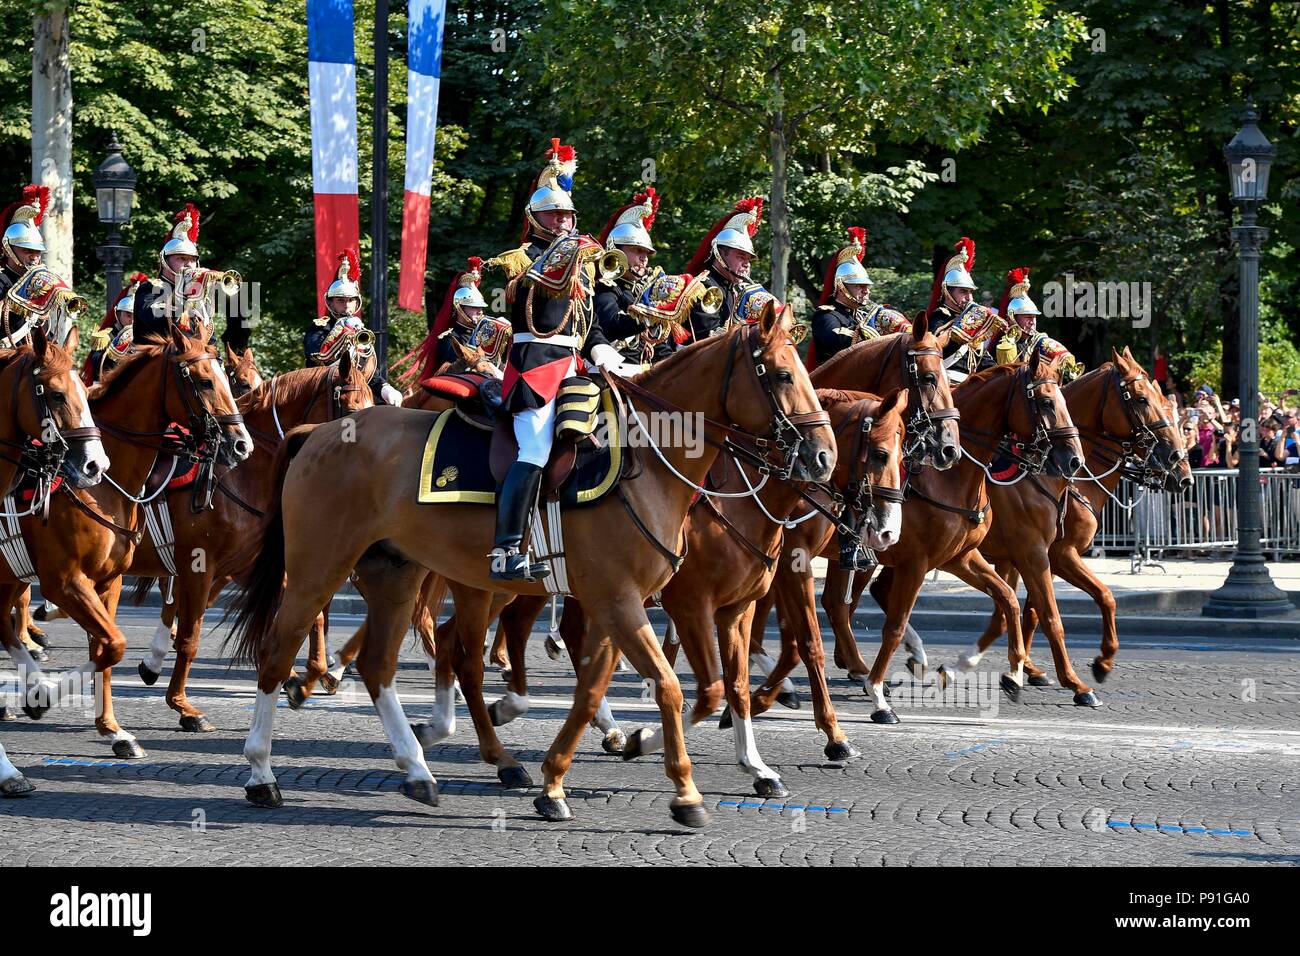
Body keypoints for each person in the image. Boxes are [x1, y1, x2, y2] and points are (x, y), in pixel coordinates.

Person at [486, 138, 640, 581]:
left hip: (575, 367)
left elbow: (588, 324)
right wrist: (566, 258)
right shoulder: (522, 259)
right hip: (535, 365)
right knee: (534, 446)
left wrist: (610, 343)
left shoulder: (585, 267)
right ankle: (506, 548)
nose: (564, 221)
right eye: (555, 215)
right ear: (535, 218)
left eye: (569, 215)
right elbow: (530, 307)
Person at [595, 187, 680, 368]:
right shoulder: (606, 287)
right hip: (613, 372)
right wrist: (651, 315)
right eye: (637, 250)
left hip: (645, 374)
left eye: (647, 253)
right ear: (616, 250)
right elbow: (612, 325)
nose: (644, 258)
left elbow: (660, 344)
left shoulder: (642, 291)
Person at [305, 249, 402, 406]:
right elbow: (314, 359)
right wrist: (341, 330)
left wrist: (385, 387)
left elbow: (368, 371)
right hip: (324, 393)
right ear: (330, 302)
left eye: (350, 300)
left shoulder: (361, 331)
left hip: (357, 391)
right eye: (340, 300)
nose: (346, 306)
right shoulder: (319, 327)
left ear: (357, 302)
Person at [807, 226, 911, 370]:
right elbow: (840, 341)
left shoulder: (862, 316)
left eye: (867, 286)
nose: (866, 291)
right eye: (859, 286)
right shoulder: (825, 315)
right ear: (841, 287)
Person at [681, 196, 769, 342]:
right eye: (741, 257)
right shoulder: (705, 287)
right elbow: (711, 339)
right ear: (720, 253)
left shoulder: (733, 289)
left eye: (749, 259)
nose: (747, 264)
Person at [925, 236, 1004, 382]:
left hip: (970, 386)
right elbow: (937, 349)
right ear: (947, 292)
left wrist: (1004, 375)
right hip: (945, 385)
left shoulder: (970, 319)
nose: (969, 298)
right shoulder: (938, 317)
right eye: (963, 292)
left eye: (970, 292)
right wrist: (966, 324)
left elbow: (983, 360)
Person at [990, 268, 1084, 380]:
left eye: (1034, 317)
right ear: (1012, 318)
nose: (1032, 322)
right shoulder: (1001, 343)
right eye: (1028, 317)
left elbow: (1070, 372)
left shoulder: (1043, 343)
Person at [83, 271, 149, 385]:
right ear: (118, 314)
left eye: (135, 316)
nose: (132, 320)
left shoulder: (144, 336)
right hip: (109, 384)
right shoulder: (104, 337)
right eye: (128, 315)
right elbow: (97, 364)